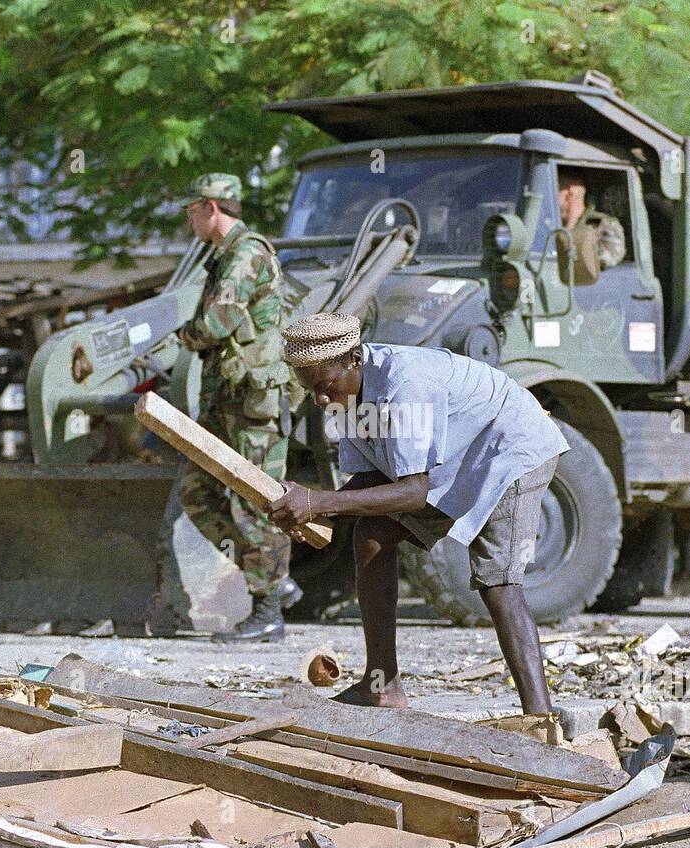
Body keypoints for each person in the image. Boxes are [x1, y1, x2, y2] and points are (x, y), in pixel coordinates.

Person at [269, 313, 571, 715]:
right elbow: (371, 480)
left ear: (354, 360)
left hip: (509, 448)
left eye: (325, 387)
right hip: (450, 462)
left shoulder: (403, 384)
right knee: (371, 534)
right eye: (312, 392)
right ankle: (382, 688)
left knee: (497, 582)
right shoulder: (345, 398)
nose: (321, 400)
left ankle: (540, 716)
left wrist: (319, 502)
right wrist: (315, 513)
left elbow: (412, 492)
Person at [174, 172, 296, 643]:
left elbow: (214, 324)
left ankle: (267, 610)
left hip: (253, 401)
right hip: (226, 397)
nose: (189, 219)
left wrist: (180, 334)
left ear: (211, 207)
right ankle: (274, 579)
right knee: (197, 493)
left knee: (258, 502)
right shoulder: (222, 256)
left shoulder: (245, 254)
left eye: (191, 210)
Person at [556, 167, 626, 285]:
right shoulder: (548, 225)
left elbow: (605, 261)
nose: (547, 195)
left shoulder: (603, 226)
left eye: (554, 188)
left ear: (569, 193)